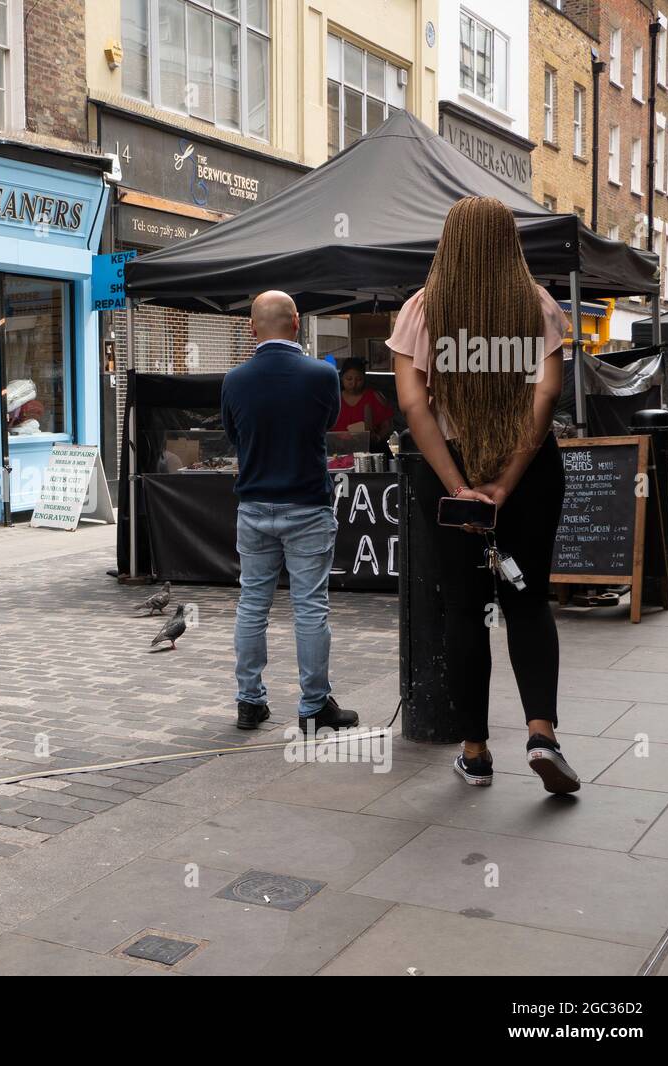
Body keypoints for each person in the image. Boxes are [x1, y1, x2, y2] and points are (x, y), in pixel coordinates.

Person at [390, 195, 580, 794]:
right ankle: (542, 734)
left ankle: (474, 749)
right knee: (527, 600)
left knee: (465, 608)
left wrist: (460, 488)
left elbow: (413, 404)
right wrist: (506, 482)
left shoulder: (421, 311)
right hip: (527, 475)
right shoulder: (538, 307)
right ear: (509, 243)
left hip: (451, 473)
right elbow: (546, 397)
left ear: (450, 242)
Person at [222, 290, 358, 735]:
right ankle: (314, 705)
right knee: (310, 608)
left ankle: (249, 701)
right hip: (307, 505)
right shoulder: (322, 375)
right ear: (297, 324)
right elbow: (328, 423)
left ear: (251, 327)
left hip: (254, 506)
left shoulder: (234, 380)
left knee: (252, 606)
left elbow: (232, 434)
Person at [331, 357, 394, 440]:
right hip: (338, 448)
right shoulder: (334, 399)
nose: (353, 384)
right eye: (349, 379)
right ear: (342, 378)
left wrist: (378, 437)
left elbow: (387, 426)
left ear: (364, 379)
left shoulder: (374, 396)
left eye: (359, 379)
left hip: (369, 449)